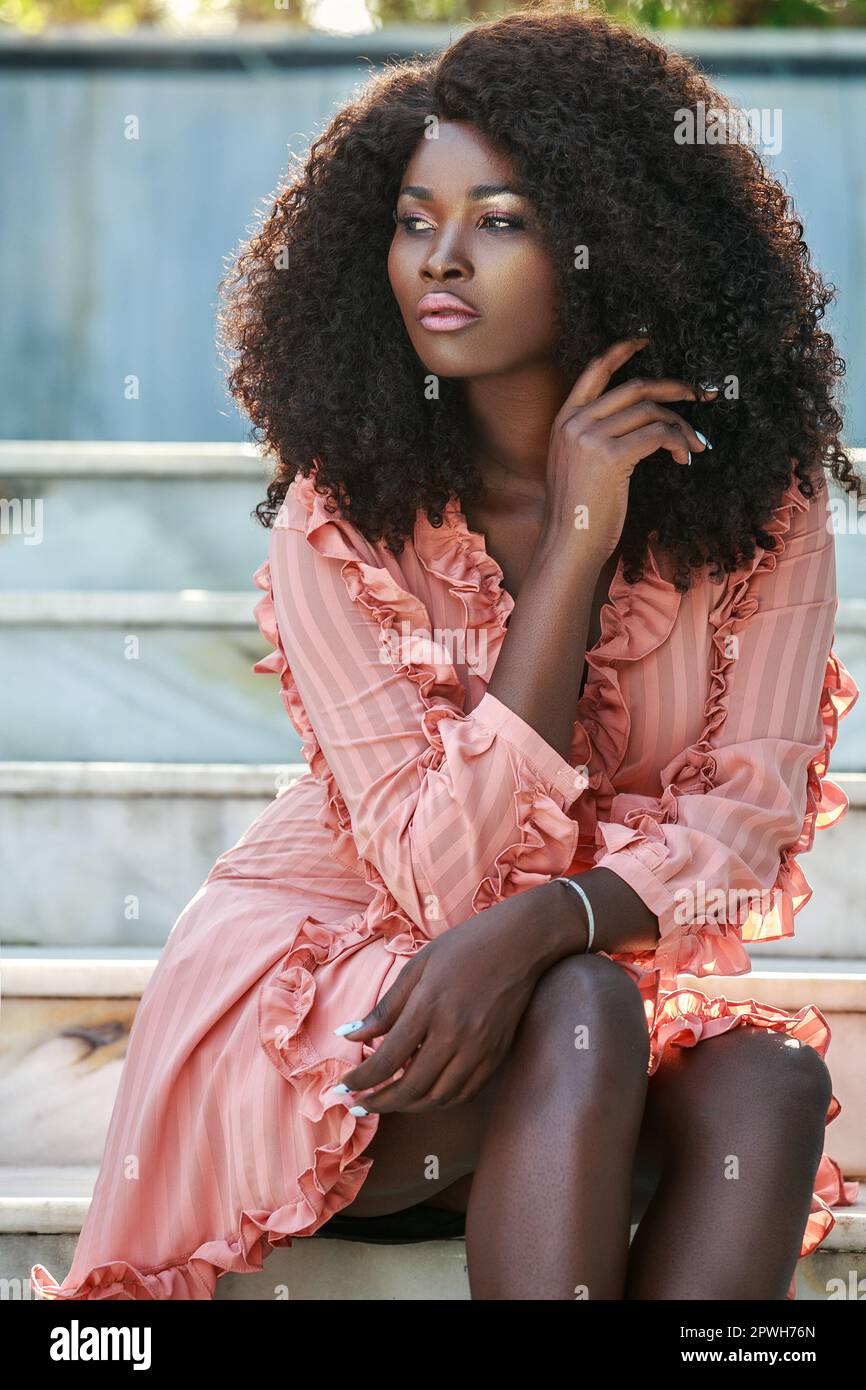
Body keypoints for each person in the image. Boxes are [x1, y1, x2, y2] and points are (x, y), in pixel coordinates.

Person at [32, 4, 861, 1302]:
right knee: (582, 1006)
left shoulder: (758, 507)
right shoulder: (343, 516)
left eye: (500, 220)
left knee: (771, 1079)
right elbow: (439, 876)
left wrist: (548, 921)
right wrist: (576, 551)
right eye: (415, 220)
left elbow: (744, 827)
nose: (442, 258)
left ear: (616, 239)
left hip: (548, 1007)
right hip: (337, 1001)